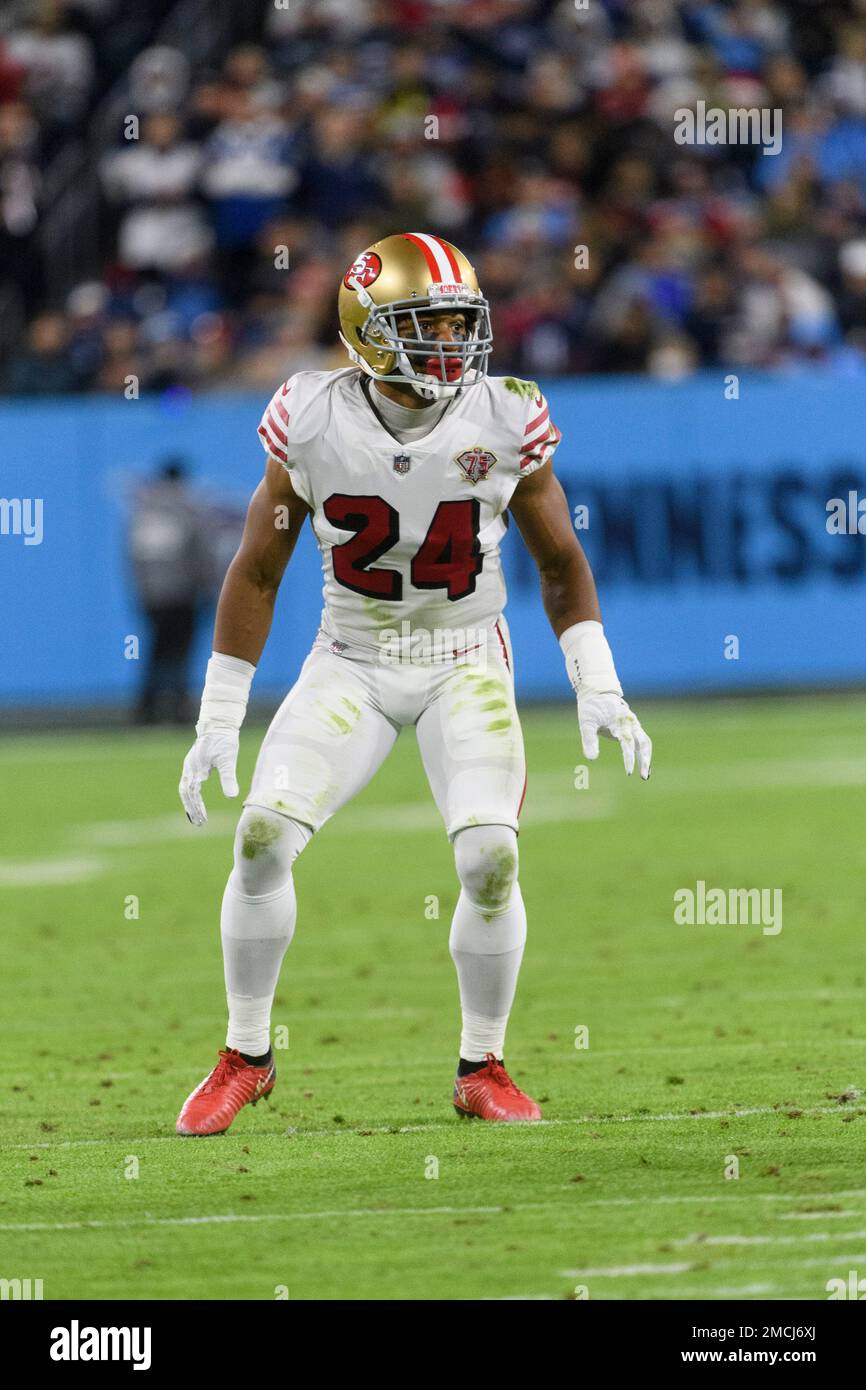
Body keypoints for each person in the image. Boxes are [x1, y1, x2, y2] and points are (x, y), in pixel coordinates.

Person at [176, 232, 652, 1135]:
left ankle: (483, 1065)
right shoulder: (311, 416)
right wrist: (219, 715)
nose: (449, 344)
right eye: (423, 324)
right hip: (350, 659)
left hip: (465, 659)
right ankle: (246, 1054)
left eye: (457, 323)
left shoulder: (505, 415)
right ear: (367, 329)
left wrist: (597, 680)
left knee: (489, 857)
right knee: (262, 837)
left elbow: (560, 563)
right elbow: (257, 570)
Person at [129, 459, 209, 724]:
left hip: (152, 595)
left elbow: (134, 557)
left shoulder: (144, 511)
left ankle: (147, 709)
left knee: (155, 651)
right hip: (182, 593)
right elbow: (199, 552)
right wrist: (206, 589)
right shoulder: (187, 508)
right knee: (180, 652)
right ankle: (178, 707)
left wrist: (141, 592)